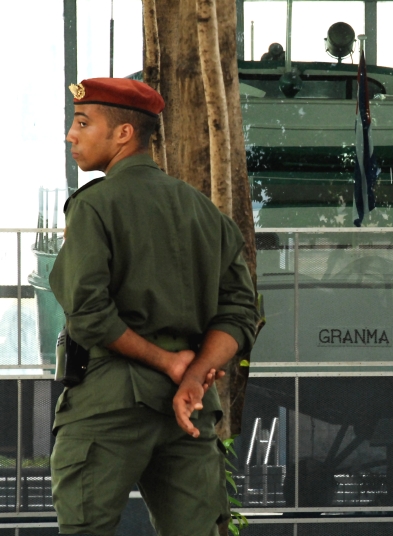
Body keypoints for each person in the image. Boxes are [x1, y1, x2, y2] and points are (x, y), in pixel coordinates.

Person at [49, 77, 259, 536]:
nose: (71, 134)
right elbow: (241, 311)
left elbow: (88, 313)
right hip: (192, 406)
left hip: (110, 400)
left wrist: (167, 363)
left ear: (124, 134)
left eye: (83, 122)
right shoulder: (205, 212)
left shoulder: (96, 206)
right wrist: (190, 374)